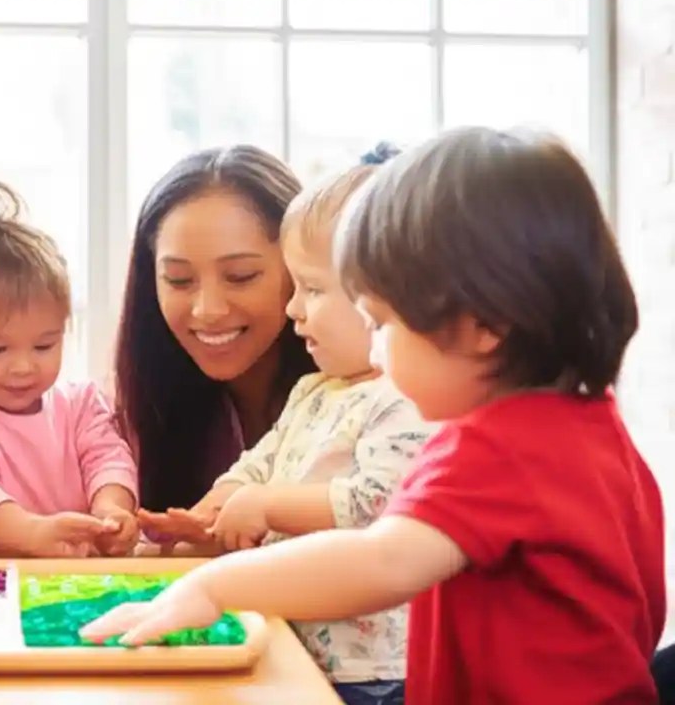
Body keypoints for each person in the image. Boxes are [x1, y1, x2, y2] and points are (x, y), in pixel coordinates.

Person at [80, 128, 665, 705]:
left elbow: (381, 559)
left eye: (383, 323)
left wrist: (214, 586)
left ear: (484, 327)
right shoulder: (597, 432)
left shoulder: (497, 449)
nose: (378, 352)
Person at [158, 152, 433, 704]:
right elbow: (260, 461)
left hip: (374, 672)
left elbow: (376, 506)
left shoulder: (405, 401)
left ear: (385, 298)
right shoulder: (314, 390)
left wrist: (267, 505)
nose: (291, 310)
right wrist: (216, 508)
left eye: (311, 289)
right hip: (298, 644)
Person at [0, 174, 139, 557]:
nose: (23, 366)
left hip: (68, 580)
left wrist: (112, 511)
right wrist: (31, 532)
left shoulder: (81, 404)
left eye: (44, 344)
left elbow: (108, 458)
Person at [113, 146, 316, 521]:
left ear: (299, 268)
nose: (207, 309)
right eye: (179, 280)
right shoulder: (136, 419)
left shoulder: (361, 399)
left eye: (240, 276)